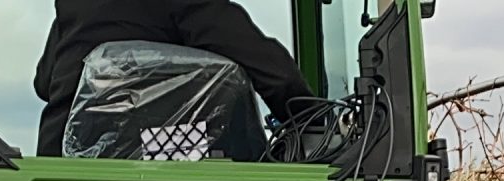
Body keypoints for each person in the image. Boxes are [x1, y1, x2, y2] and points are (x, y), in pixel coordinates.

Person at [34, 0, 316, 157]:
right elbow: (277, 77)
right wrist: (319, 124)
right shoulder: (192, 5)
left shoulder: (74, 8)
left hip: (61, 173)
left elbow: (43, 82)